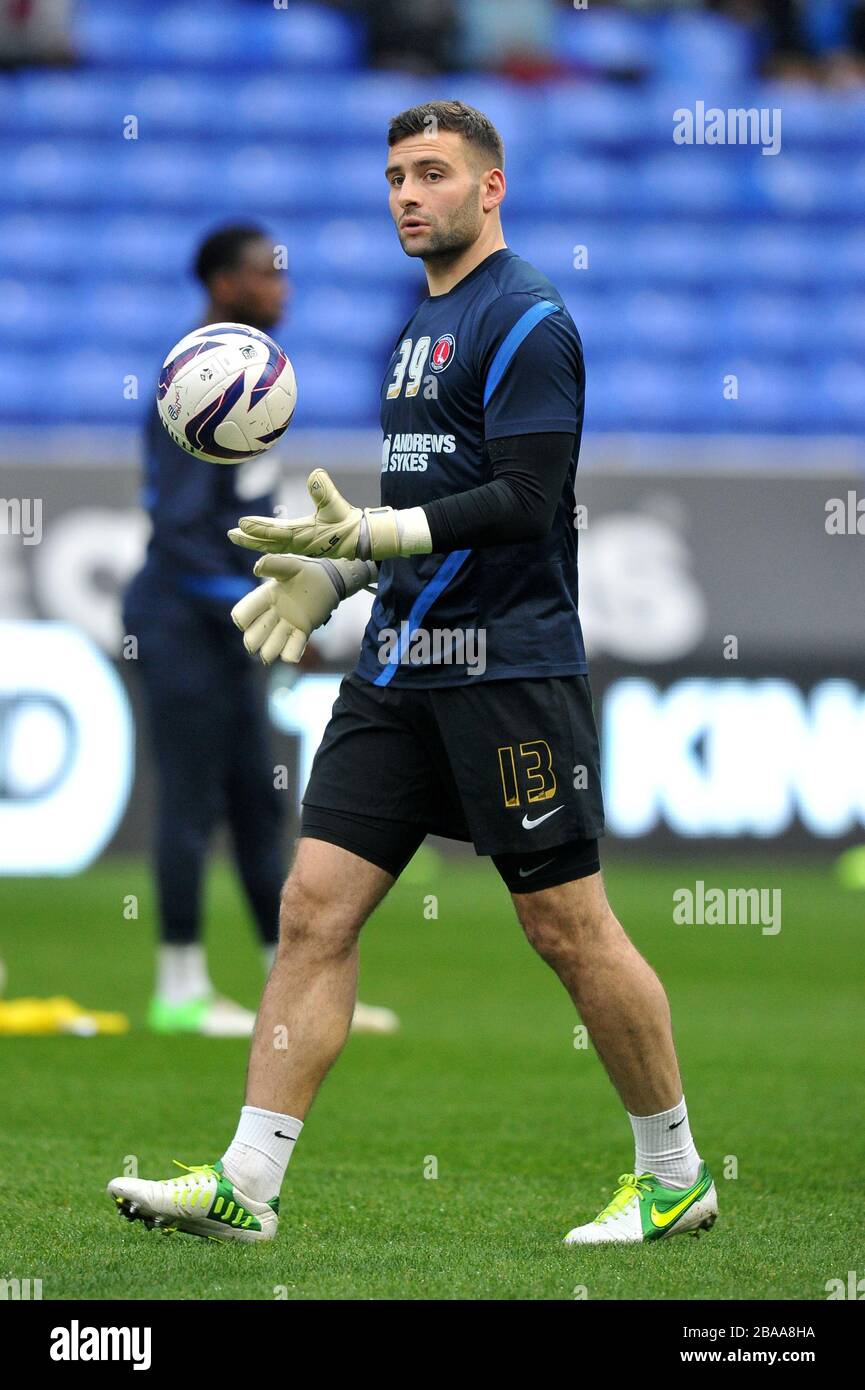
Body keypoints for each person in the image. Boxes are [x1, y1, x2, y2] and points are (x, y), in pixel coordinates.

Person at [109, 102, 717, 1246]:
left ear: (491, 189)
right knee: (311, 911)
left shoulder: (526, 317)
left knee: (566, 930)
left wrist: (372, 542)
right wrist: (340, 580)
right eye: (394, 174)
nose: (406, 193)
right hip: (396, 668)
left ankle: (675, 1170)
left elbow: (526, 502)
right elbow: (424, 505)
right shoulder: (415, 325)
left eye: (432, 173)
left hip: (506, 670)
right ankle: (248, 1179)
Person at [123, 223, 398, 1039]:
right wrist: (260, 603)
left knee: (253, 798)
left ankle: (294, 989)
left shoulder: (258, 377)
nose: (280, 286)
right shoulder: (197, 382)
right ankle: (178, 988)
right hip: (179, 620)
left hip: (222, 622)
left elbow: (228, 518)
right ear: (218, 284)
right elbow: (175, 533)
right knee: (188, 799)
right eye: (262, 273)